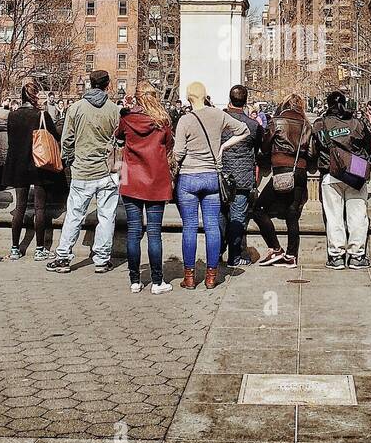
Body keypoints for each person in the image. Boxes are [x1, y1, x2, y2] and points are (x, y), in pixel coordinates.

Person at [173, 81, 250, 289]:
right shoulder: (218, 115)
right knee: (212, 227)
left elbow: (178, 153)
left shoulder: (185, 120)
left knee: (189, 227)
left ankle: (189, 277)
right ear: (205, 95)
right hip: (211, 177)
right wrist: (223, 146)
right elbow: (244, 130)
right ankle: (211, 276)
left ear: (189, 97)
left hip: (189, 177)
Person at [51, 69, 121, 273]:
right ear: (107, 84)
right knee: (107, 216)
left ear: (90, 84)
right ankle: (101, 259)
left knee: (74, 214)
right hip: (108, 171)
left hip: (82, 169)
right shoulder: (114, 110)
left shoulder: (76, 108)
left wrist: (70, 160)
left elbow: (67, 141)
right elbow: (119, 141)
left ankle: (63, 256)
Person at [115, 82, 174, 293]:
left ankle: (134, 280)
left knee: (133, 231)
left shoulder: (127, 119)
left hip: (132, 179)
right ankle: (157, 281)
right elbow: (169, 145)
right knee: (154, 232)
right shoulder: (162, 121)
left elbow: (118, 136)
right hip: (156, 179)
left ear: (137, 97)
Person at [3, 77, 66, 262]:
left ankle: (15, 248)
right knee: (40, 207)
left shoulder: (12, 115)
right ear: (35, 96)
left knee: (20, 207)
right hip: (39, 164)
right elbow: (54, 135)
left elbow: (11, 139)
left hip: (18, 165)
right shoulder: (41, 115)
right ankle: (40, 249)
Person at [311, 90, 371, 270]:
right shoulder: (357, 123)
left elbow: (317, 147)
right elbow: (368, 145)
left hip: (331, 173)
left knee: (334, 216)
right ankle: (357, 255)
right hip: (356, 172)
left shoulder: (320, 124)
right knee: (358, 216)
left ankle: (336, 256)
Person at [251, 93, 312, 268]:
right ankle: (291, 256)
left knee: (258, 209)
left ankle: (275, 248)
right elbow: (312, 152)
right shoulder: (306, 123)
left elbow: (265, 146)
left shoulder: (277, 121)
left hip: (282, 170)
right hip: (300, 171)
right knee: (292, 214)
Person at [220, 84, 261, 269]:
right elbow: (260, 149)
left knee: (220, 215)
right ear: (245, 102)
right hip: (243, 175)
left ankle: (217, 251)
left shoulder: (219, 121)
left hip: (221, 174)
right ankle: (234, 256)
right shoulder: (253, 125)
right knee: (238, 216)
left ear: (230, 99)